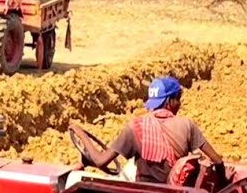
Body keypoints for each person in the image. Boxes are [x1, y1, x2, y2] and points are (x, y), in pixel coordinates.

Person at [70, 76, 225, 184]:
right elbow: (217, 160)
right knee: (130, 165)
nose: (179, 104)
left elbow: (100, 160)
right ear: (170, 101)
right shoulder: (187, 125)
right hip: (171, 186)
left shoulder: (135, 128)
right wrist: (222, 183)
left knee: (74, 179)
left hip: (144, 190)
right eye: (178, 99)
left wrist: (81, 134)